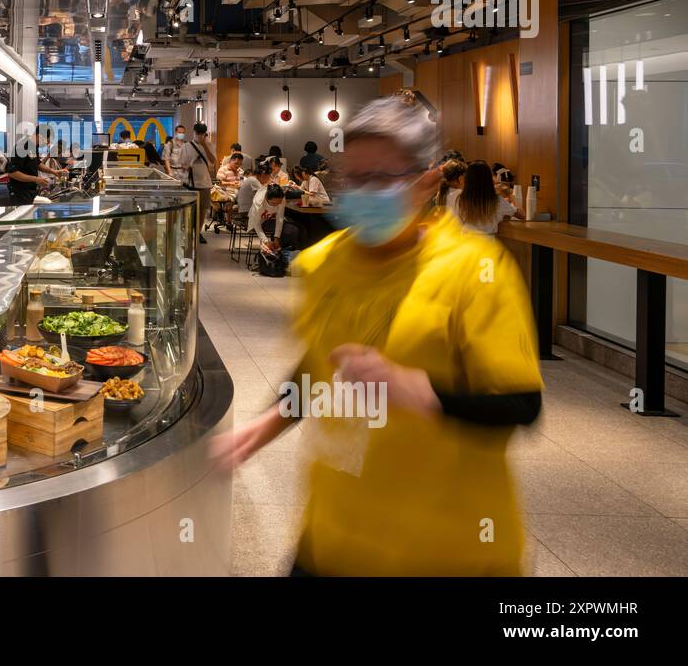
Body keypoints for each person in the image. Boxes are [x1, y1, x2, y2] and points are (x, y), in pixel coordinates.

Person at [211, 97, 543, 576]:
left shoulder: (475, 270)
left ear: (426, 179)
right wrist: (258, 431)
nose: (363, 192)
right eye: (355, 178)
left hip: (446, 552)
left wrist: (420, 391)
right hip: (333, 538)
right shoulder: (327, 261)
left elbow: (521, 405)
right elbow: (315, 369)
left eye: (381, 179)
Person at [164, 123, 216, 243]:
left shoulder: (210, 145)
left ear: (205, 134)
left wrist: (205, 146)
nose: (199, 136)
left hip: (204, 182)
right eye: (197, 133)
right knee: (188, 209)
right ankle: (188, 232)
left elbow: (213, 162)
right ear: (194, 132)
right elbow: (181, 163)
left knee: (203, 209)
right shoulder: (187, 146)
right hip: (188, 181)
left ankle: (198, 233)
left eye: (201, 134)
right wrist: (187, 166)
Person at [448, 160, 524, 234]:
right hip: (487, 244)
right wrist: (510, 194)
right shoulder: (497, 201)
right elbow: (522, 215)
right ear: (489, 179)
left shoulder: (460, 198)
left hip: (466, 242)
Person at [6, 125, 61, 204]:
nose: (47, 144)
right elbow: (12, 173)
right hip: (20, 192)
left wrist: (54, 172)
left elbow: (37, 164)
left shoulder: (33, 146)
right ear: (39, 136)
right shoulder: (22, 146)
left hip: (30, 191)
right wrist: (36, 179)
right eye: (47, 141)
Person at [251, 183, 299, 262]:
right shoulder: (258, 202)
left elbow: (279, 218)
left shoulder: (281, 199)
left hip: (272, 219)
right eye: (274, 203)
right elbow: (256, 224)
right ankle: (277, 256)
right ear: (267, 198)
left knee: (295, 229)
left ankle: (283, 255)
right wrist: (265, 241)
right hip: (260, 222)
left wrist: (277, 238)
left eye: (279, 203)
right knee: (288, 231)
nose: (276, 205)